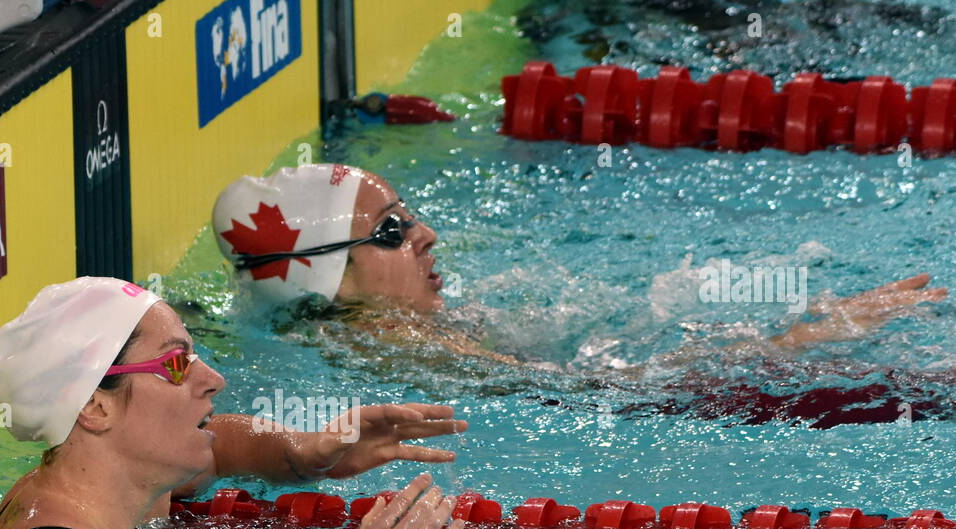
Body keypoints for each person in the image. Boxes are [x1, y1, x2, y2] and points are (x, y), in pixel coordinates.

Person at [0, 277, 466, 529]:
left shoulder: (112, 486)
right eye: (175, 364)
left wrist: (308, 453)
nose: (214, 379)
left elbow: (221, 445)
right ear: (94, 407)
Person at [211, 163, 947, 371]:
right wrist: (794, 345)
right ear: (322, 276)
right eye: (393, 230)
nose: (429, 235)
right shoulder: (398, 348)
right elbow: (606, 394)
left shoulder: (364, 333)